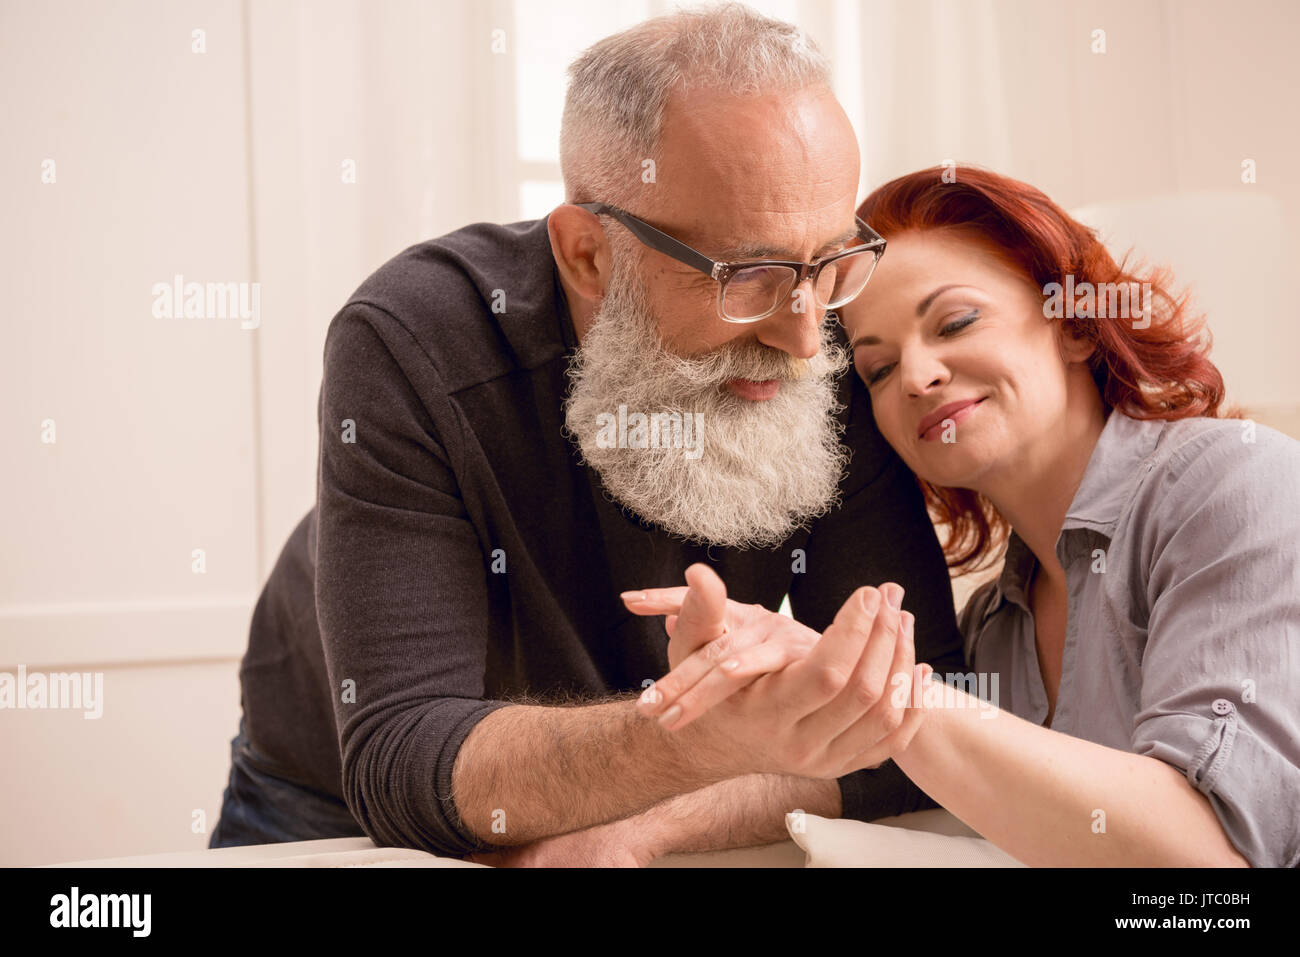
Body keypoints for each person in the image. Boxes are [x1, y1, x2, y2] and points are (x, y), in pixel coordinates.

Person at [210, 4, 959, 864]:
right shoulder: (413, 335)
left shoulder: (824, 325)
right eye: (747, 276)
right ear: (588, 256)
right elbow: (402, 755)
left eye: (828, 261)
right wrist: (698, 741)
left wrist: (659, 814)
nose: (802, 340)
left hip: (651, 802)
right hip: (323, 798)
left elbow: (917, 712)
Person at [628, 165, 1300, 867]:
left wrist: (892, 698)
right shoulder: (991, 627)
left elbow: (1214, 864)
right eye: (878, 371)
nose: (917, 377)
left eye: (955, 322)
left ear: (1072, 322)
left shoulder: (1238, 484)